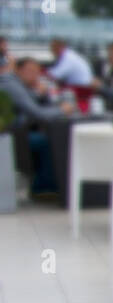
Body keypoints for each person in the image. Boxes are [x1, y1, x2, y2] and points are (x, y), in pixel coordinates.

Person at [0, 57, 73, 198]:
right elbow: (37, 113)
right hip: (10, 136)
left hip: (17, 132)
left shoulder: (18, 84)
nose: (34, 76)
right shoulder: (11, 85)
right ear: (18, 70)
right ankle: (42, 187)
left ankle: (47, 185)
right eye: (30, 71)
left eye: (37, 72)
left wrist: (42, 93)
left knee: (49, 138)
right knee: (47, 142)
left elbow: (38, 104)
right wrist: (62, 110)